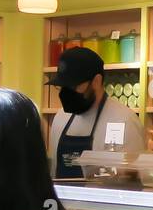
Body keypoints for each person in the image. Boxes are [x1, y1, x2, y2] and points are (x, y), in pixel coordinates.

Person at [46, 46, 144, 178]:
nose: (65, 93)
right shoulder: (60, 117)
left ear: (96, 81)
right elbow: (54, 171)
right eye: (61, 87)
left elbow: (131, 180)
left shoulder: (124, 121)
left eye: (73, 86)